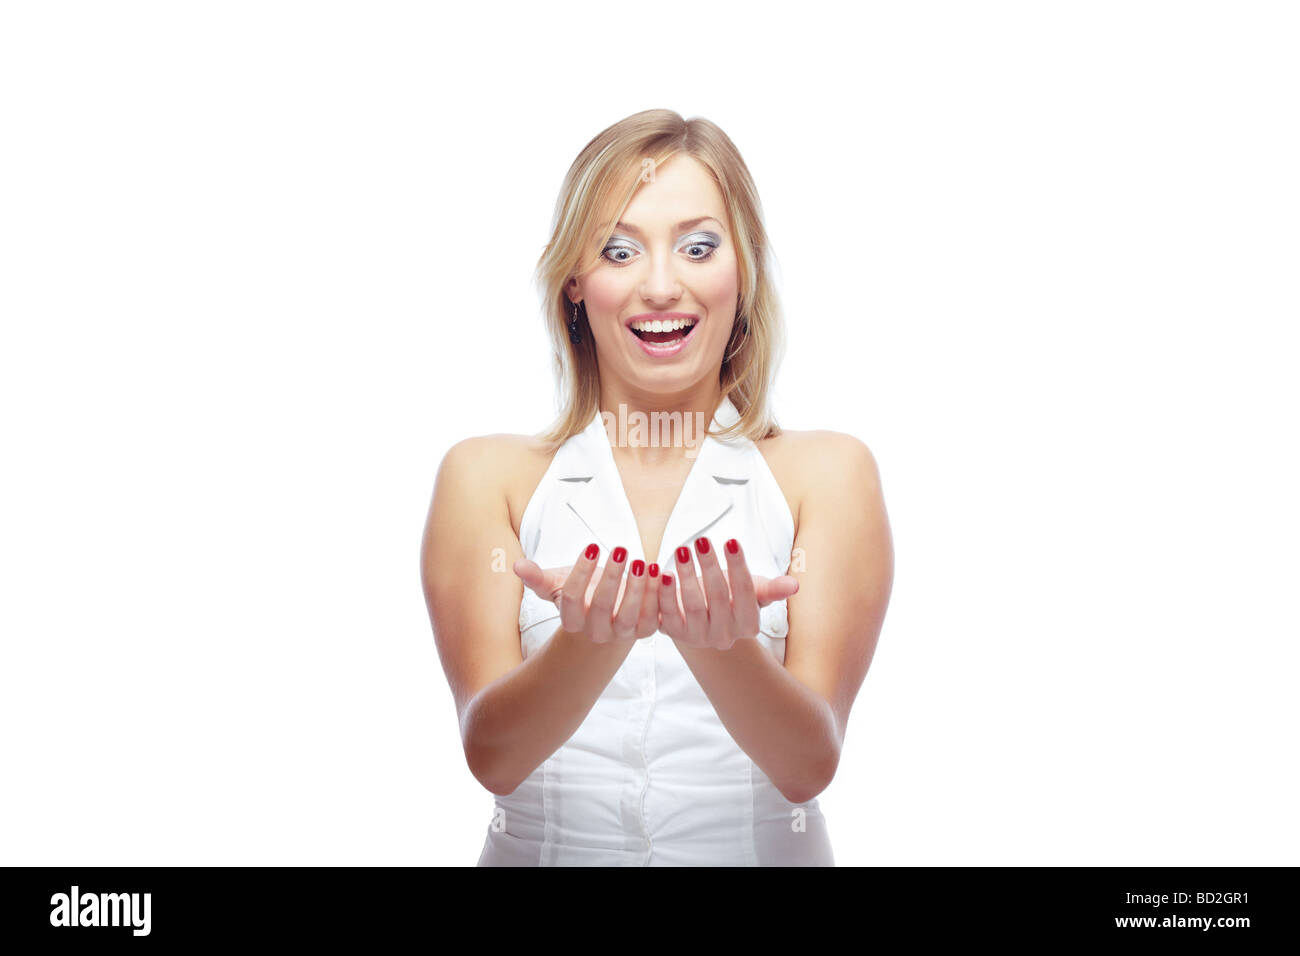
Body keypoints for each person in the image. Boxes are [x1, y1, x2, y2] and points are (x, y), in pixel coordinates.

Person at [420, 109, 893, 865]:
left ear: (743, 269)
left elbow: (808, 766)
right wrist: (585, 643)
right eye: (619, 250)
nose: (662, 285)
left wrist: (725, 649)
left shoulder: (828, 475)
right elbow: (493, 756)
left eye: (699, 247)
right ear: (575, 280)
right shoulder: (486, 478)